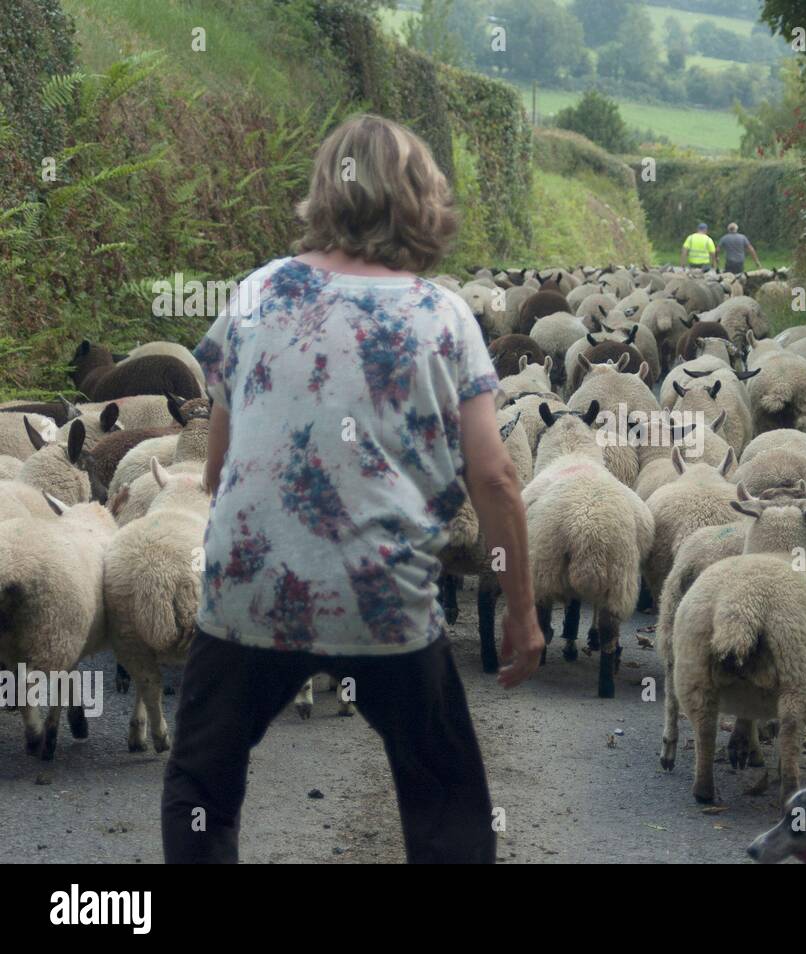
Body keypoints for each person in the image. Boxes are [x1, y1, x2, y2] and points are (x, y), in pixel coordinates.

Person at [161, 114, 545, 864]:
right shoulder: (443, 316)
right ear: (420, 200)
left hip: (250, 591)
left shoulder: (255, 294)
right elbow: (495, 476)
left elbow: (216, 468)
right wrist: (522, 610)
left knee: (202, 782)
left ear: (322, 194)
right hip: (379, 598)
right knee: (446, 796)